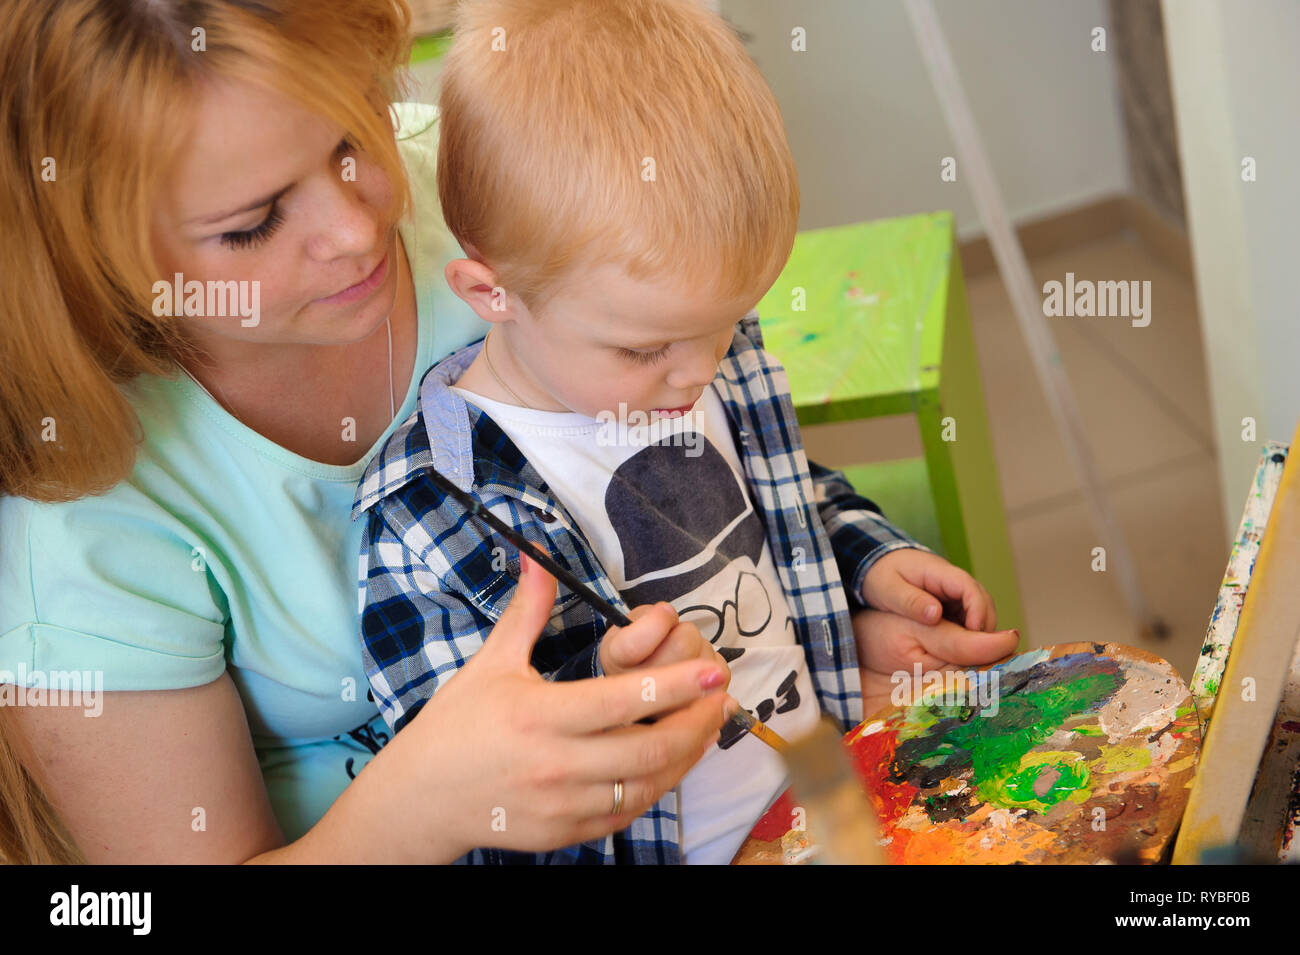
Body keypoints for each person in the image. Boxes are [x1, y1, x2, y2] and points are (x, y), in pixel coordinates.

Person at [0, 0, 735, 864]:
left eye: (355, 136)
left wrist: (833, 591)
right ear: (90, 253)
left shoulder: (484, 193)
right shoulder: (84, 526)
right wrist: (414, 811)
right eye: (253, 223)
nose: (357, 228)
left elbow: (691, 440)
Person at [355, 0, 1020, 864]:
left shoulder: (694, 353)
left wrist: (869, 559)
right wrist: (607, 690)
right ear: (491, 294)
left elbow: (780, 498)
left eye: (728, 322)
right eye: (644, 347)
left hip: (828, 795)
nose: (697, 371)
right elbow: (474, 809)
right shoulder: (428, 512)